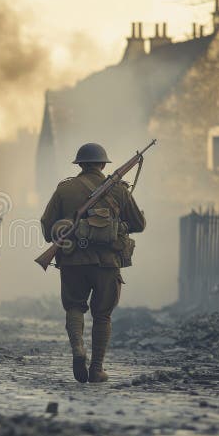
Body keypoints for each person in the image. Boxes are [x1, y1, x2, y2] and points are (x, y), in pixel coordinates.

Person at [40, 143, 145, 383]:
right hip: (107, 263)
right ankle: (96, 369)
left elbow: (48, 228)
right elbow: (139, 224)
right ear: (102, 164)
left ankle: (78, 348)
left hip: (72, 261)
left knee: (74, 307)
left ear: (80, 164)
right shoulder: (118, 190)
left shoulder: (65, 189)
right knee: (102, 315)